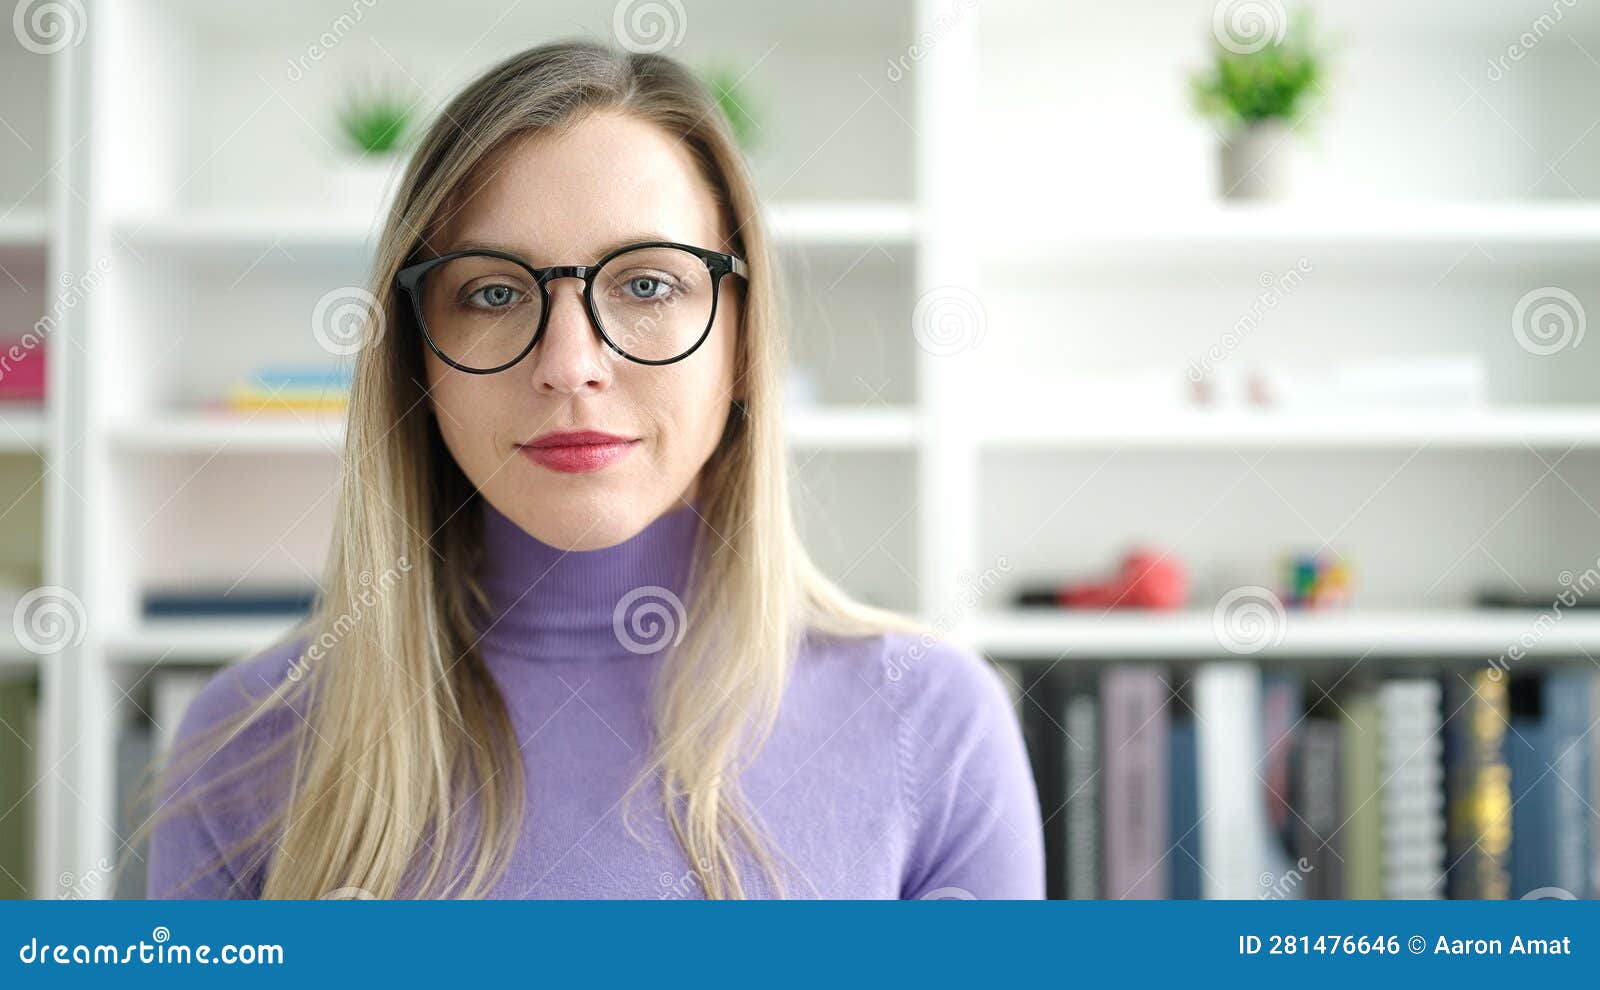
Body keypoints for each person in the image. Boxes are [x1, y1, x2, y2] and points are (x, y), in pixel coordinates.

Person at [142, 39, 1042, 900]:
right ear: (417, 361)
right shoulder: (247, 742)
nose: (570, 364)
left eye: (647, 285)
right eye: (493, 293)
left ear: (741, 335)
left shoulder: (930, 722)